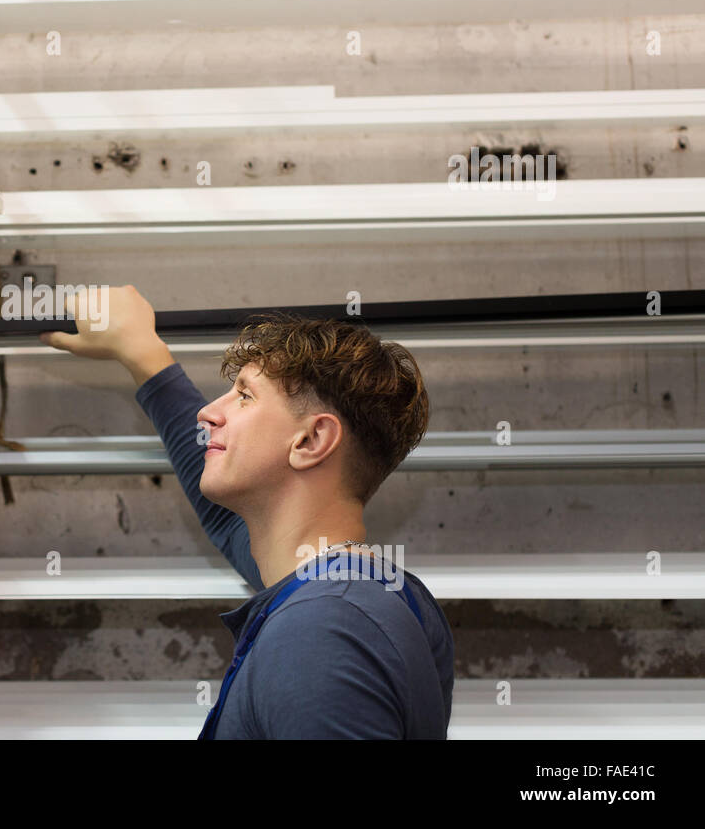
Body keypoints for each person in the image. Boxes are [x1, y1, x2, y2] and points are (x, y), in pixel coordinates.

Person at [40, 286, 453, 738]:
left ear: (311, 441)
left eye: (244, 396)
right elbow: (223, 520)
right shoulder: (379, 595)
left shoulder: (323, 631)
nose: (207, 413)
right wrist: (142, 352)